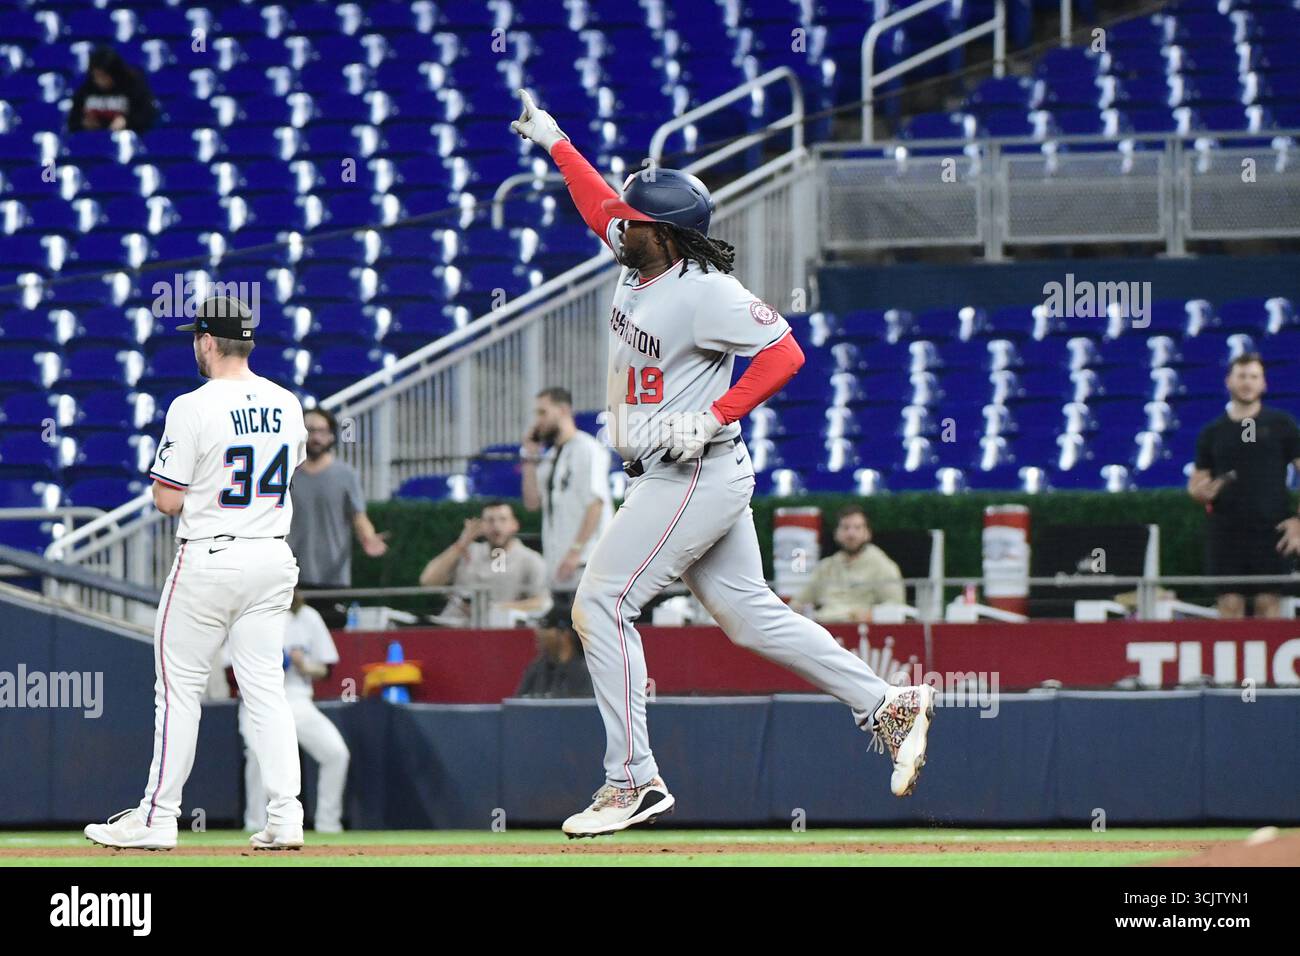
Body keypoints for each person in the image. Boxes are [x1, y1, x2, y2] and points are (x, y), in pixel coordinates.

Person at [510, 89, 937, 839]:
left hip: (692, 473)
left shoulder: (708, 292)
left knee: (599, 605)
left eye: (637, 219)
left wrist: (712, 414)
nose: (622, 220)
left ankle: (630, 780)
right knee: (750, 616)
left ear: (668, 236)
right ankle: (887, 704)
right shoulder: (636, 251)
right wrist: (553, 141)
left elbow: (786, 353)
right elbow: (597, 201)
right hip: (677, 473)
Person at [84, 295, 308, 851]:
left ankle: (159, 818)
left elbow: (167, 499)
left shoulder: (193, 404)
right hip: (272, 554)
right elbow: (285, 471)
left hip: (212, 554)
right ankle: (286, 815)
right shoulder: (288, 402)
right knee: (266, 690)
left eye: (196, 338)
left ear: (208, 341)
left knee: (179, 690)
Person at [1188, 353, 1300, 618]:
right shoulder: (1212, 432)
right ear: (1229, 381)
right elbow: (1196, 483)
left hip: (1271, 531)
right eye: (1242, 376)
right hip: (1226, 533)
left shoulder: (1282, 425)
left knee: (1268, 604)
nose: (1247, 383)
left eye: (1254, 377)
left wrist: (1297, 521)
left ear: (1264, 384)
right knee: (1229, 605)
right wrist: (1200, 491)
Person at [240, 590, 350, 834]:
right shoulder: (245, 613)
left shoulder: (306, 616)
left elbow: (326, 669)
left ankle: (328, 824)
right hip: (257, 698)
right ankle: (256, 824)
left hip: (297, 698)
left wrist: (303, 665)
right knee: (259, 753)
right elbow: (230, 670)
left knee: (336, 753)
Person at [287, 406, 388, 628]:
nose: (315, 437)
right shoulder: (286, 472)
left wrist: (369, 539)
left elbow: (359, 516)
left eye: (321, 431)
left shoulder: (346, 475)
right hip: (290, 573)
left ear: (331, 435)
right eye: (309, 430)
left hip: (332, 575)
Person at [521, 386, 614, 593]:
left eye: (543, 412)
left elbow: (596, 503)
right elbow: (532, 503)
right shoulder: (549, 457)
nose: (538, 421)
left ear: (563, 410)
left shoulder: (588, 449)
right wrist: (528, 457)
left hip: (586, 563)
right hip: (558, 565)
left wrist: (575, 552)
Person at [417, 500, 551, 626]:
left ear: (514, 524)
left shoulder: (530, 560)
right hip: (451, 626)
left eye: (503, 520)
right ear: (482, 525)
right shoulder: (467, 551)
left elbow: (543, 602)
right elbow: (428, 581)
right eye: (490, 520)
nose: (496, 526)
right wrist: (461, 544)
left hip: (496, 631)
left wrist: (497, 609)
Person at [797, 505, 906, 623]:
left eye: (857, 528)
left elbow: (896, 607)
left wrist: (872, 615)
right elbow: (799, 602)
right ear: (836, 533)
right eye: (845, 528)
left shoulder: (883, 566)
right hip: (824, 627)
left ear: (868, 533)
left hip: (861, 631)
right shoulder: (825, 566)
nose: (851, 534)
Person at [67, 45, 157, 133]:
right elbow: (72, 120)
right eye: (96, 76)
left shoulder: (133, 86)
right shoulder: (86, 89)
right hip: (93, 141)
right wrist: (83, 123)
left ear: (114, 73)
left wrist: (127, 121)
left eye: (103, 76)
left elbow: (147, 115)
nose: (99, 80)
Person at [514, 607, 595, 699]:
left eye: (546, 626)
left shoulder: (585, 672)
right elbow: (518, 705)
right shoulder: (537, 669)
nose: (538, 632)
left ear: (565, 633)